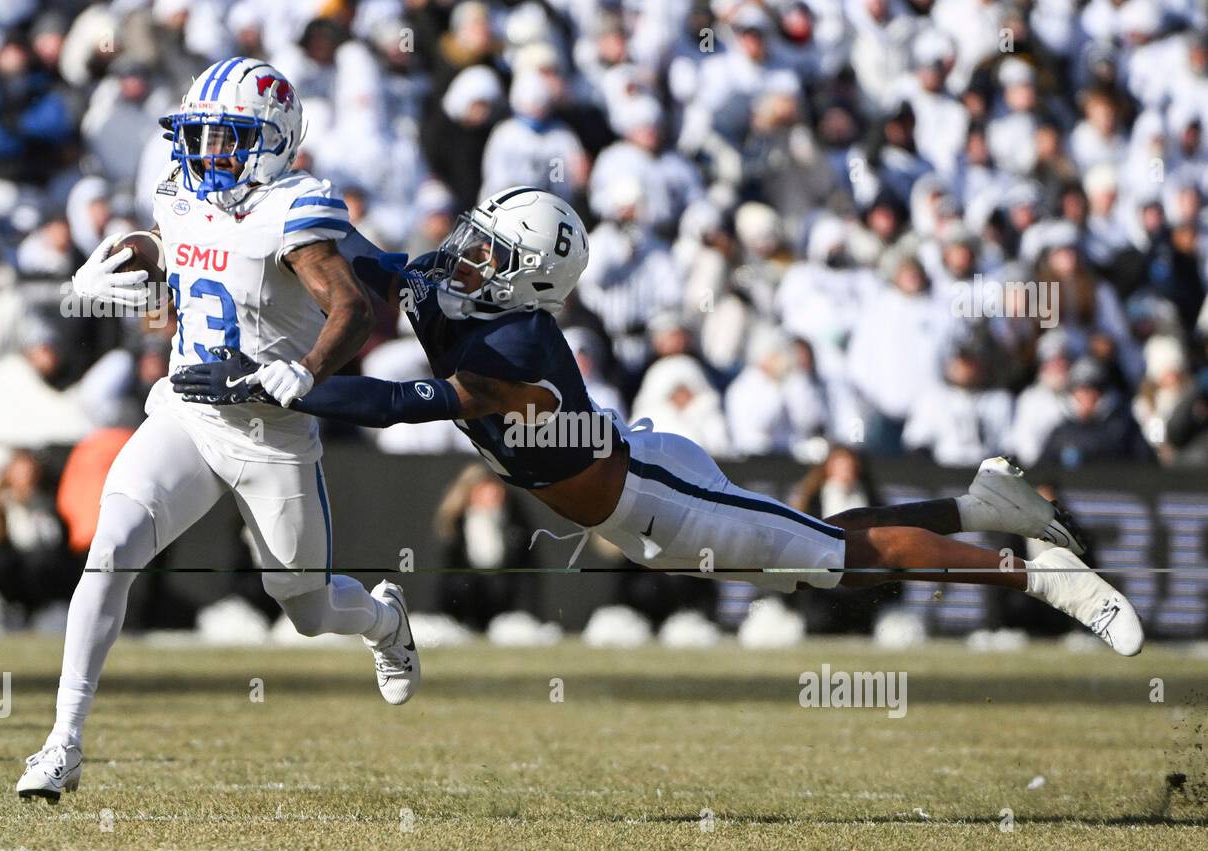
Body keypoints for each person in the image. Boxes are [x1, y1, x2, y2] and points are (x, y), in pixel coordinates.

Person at [174, 187, 1146, 669]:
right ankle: (982, 499)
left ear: (526, 281)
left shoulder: (516, 348)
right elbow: (374, 268)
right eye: (477, 239)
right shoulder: (458, 279)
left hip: (655, 499)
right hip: (630, 483)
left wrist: (288, 386)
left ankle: (1031, 569)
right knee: (820, 545)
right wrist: (292, 216)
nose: (462, 257)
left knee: (842, 559)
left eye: (488, 253)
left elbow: (396, 404)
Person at [16, 60, 419, 804]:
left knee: (307, 608)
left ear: (270, 143)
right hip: (188, 414)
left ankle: (385, 620)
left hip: (273, 435)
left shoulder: (295, 208)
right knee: (110, 554)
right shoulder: (182, 190)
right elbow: (165, 245)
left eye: (224, 139)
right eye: (196, 136)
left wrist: (302, 371)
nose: (205, 153)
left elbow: (354, 308)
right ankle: (62, 743)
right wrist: (110, 263)